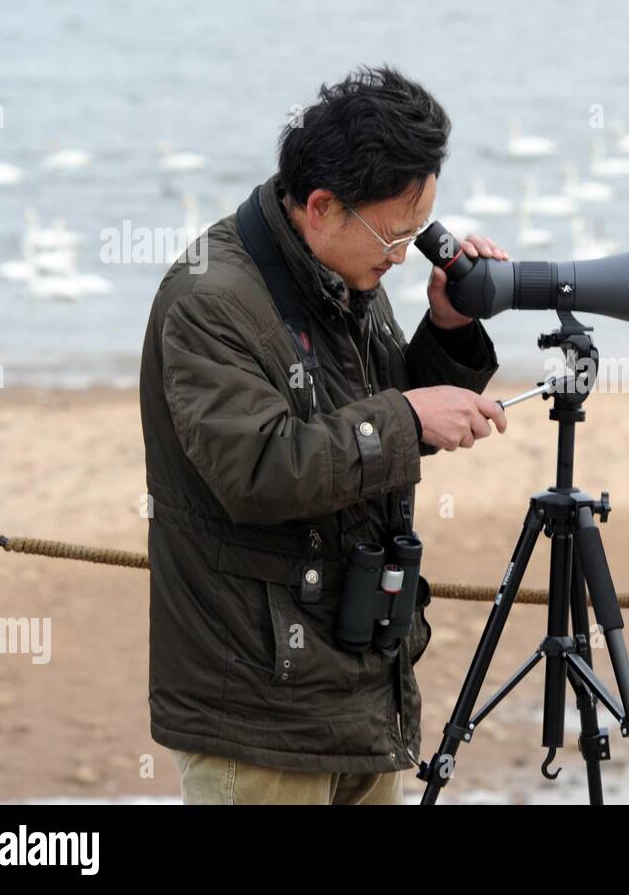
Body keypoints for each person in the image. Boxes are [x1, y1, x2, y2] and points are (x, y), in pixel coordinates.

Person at [138, 65, 508, 804]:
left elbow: (373, 423)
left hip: (359, 690)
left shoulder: (345, 272)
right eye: (394, 234)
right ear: (320, 205)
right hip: (256, 714)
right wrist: (407, 418)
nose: (404, 255)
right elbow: (262, 470)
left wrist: (448, 329)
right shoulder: (210, 300)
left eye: (416, 232)